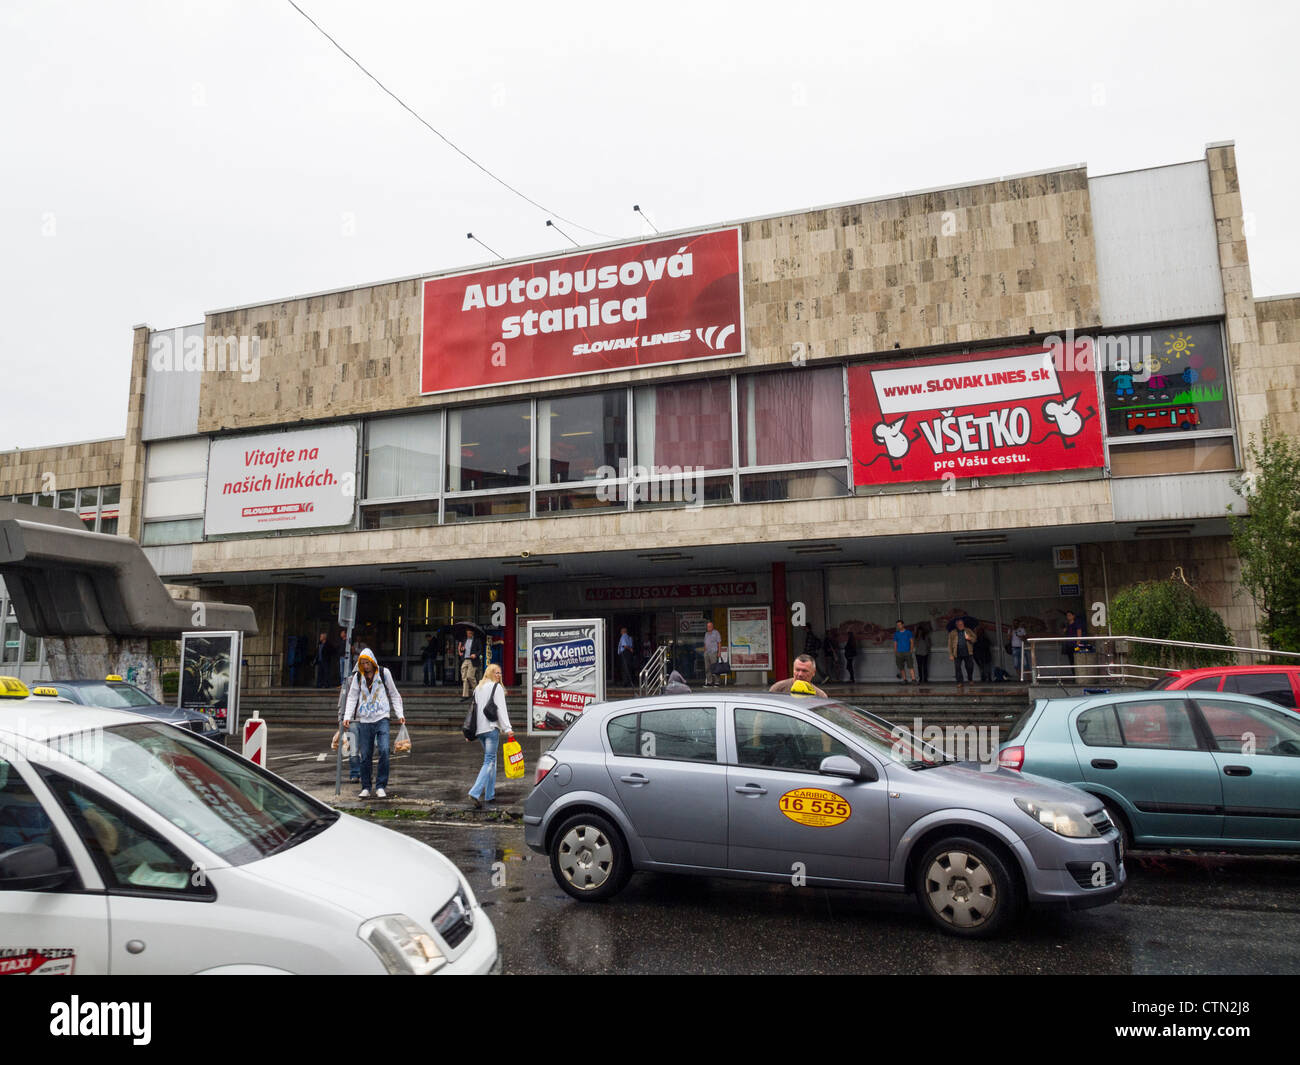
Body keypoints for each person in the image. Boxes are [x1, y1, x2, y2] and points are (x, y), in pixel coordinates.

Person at [341, 649, 405, 799]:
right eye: (362, 663)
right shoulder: (358, 677)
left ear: (372, 661)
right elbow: (352, 697)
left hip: (382, 717)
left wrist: (400, 714)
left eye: (367, 663)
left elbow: (394, 693)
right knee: (365, 755)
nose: (365, 666)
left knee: (383, 750)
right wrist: (347, 716)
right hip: (364, 720)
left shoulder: (384, 673)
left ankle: (381, 785)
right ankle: (366, 787)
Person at [468, 663, 515, 809]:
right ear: (489, 673)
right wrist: (508, 728)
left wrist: (469, 731)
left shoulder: (478, 688)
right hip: (491, 728)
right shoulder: (497, 687)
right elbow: (501, 709)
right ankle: (475, 792)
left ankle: (490, 794)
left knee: (492, 761)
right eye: (496, 672)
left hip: (480, 731)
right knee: (489, 761)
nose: (499, 675)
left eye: (500, 673)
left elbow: (473, 711)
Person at [949, 618, 976, 691]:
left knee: (970, 666)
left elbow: (975, 639)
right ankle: (959, 682)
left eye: (962, 624)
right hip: (957, 653)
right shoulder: (953, 632)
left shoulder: (968, 630)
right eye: (959, 624)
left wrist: (969, 638)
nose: (961, 625)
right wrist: (951, 654)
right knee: (957, 667)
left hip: (968, 652)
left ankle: (970, 679)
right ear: (956, 625)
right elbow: (950, 644)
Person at [1063, 610, 1087, 681]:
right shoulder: (1067, 625)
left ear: (1073, 616)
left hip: (1075, 645)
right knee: (1071, 661)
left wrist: (1078, 644)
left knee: (1076, 659)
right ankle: (1074, 676)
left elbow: (1079, 634)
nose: (1068, 617)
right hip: (1069, 645)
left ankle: (1078, 676)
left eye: (1070, 615)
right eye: (1067, 615)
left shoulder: (1077, 624)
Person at [459, 630, 478, 701]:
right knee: (464, 678)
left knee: (470, 676)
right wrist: (462, 649)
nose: (468, 635)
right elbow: (462, 650)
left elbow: (480, 650)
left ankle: (477, 691)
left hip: (472, 660)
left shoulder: (476, 640)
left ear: (472, 633)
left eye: (469, 633)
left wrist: (475, 654)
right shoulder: (464, 640)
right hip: (465, 659)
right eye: (467, 633)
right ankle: (465, 695)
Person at [703, 621, 722, 687]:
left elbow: (719, 643)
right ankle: (709, 682)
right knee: (707, 668)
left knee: (715, 668)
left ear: (712, 627)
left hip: (713, 653)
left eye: (710, 626)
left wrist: (719, 652)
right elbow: (705, 644)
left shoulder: (716, 633)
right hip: (707, 653)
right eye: (708, 626)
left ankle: (717, 682)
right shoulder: (706, 634)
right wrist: (704, 652)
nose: (709, 627)